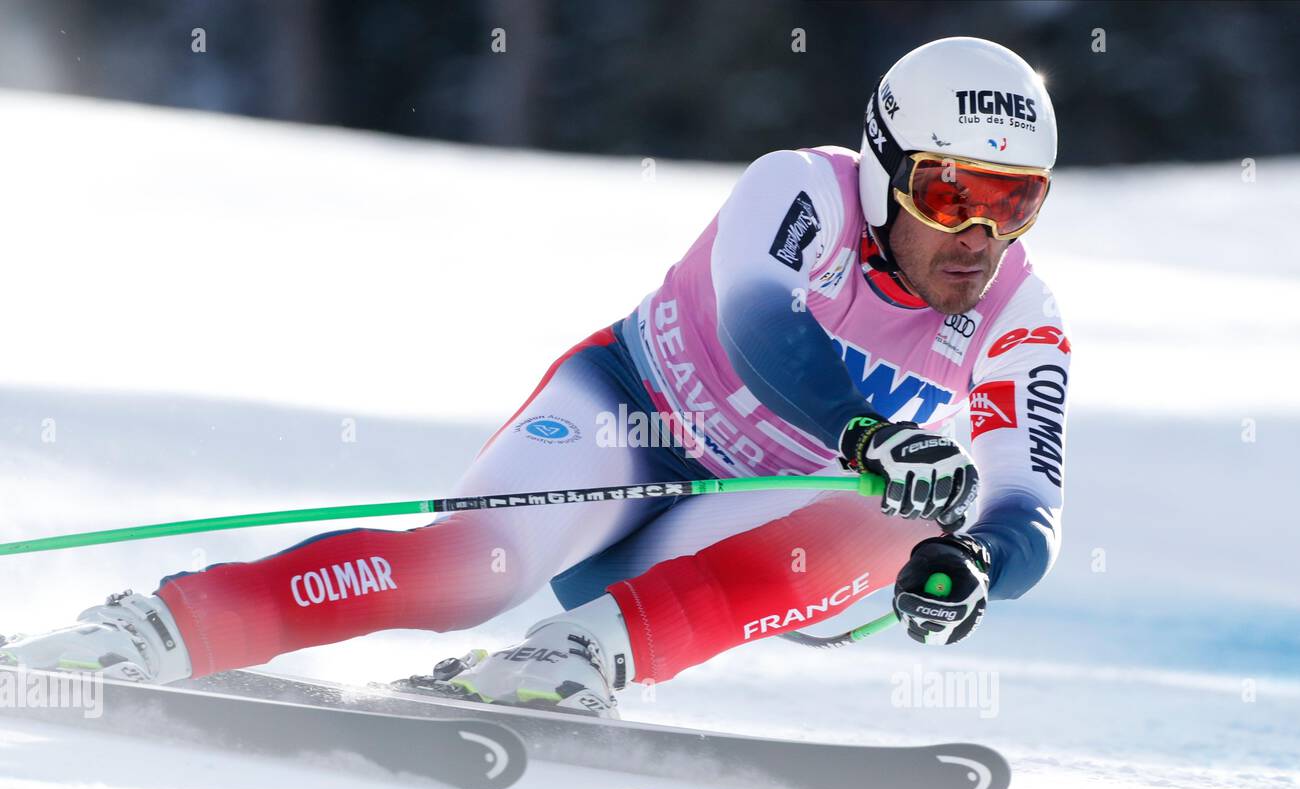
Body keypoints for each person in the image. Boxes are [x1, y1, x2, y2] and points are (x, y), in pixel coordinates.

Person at [2, 37, 1070, 718]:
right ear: (884, 166)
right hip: (629, 417)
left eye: (1014, 201)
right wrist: (866, 433)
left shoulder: (1019, 312)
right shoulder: (799, 190)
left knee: (915, 524)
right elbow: (758, 326)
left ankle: (583, 653)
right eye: (949, 191)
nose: (977, 233)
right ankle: (154, 628)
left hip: (743, 521)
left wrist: (978, 562)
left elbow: (1030, 499)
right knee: (468, 573)